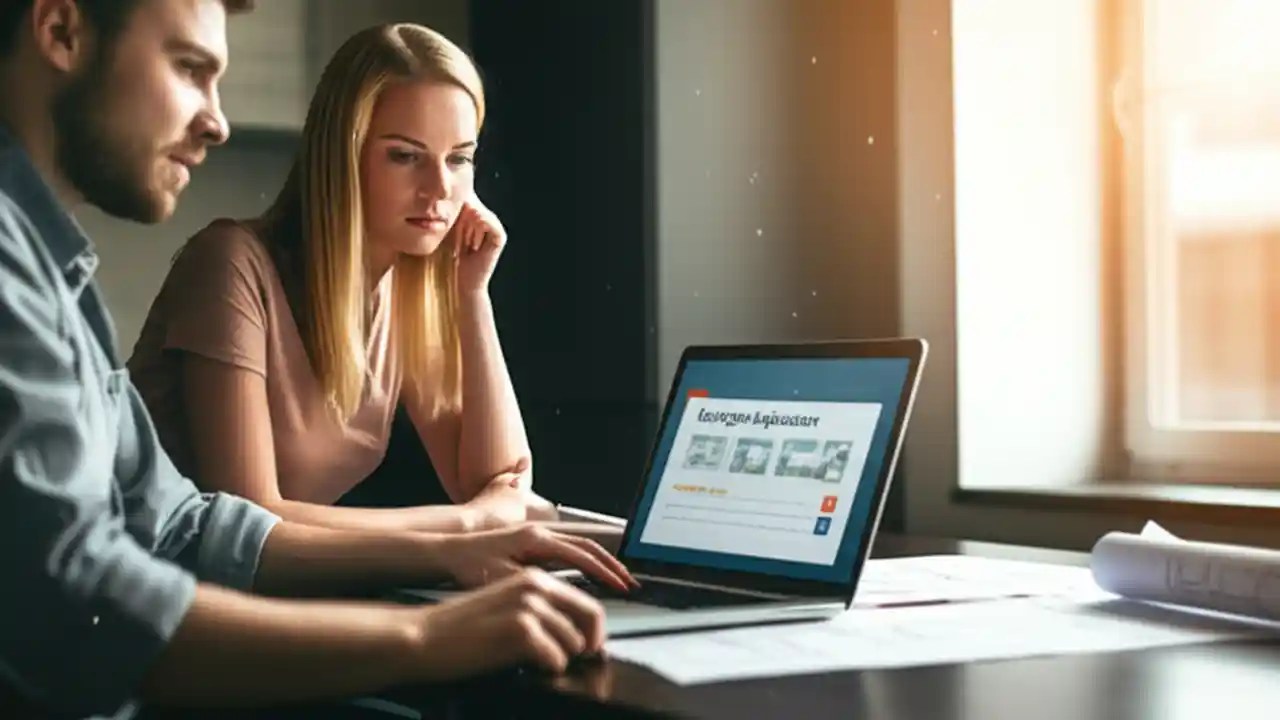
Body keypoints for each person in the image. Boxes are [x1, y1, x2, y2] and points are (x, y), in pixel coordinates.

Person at [0, 1, 636, 717]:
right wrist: (437, 604)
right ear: (59, 32)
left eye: (460, 159)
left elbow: (185, 527)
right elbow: (88, 592)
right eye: (188, 68)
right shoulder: (216, 264)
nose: (217, 122)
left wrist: (471, 297)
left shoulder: (57, 277)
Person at [124, 19, 560, 537]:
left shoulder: (404, 290)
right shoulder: (231, 265)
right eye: (405, 156)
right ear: (342, 157)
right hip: (134, 578)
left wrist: (472, 293)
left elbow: (501, 488)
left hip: (264, 582)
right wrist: (464, 525)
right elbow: (247, 523)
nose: (440, 187)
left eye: (459, 158)